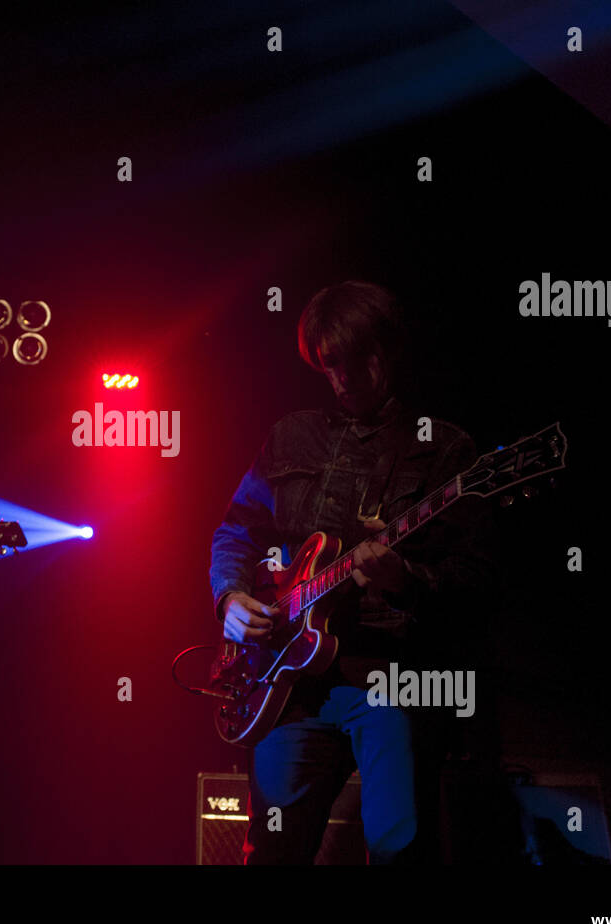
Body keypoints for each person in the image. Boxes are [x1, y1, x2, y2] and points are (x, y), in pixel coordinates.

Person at [210, 281, 501, 864]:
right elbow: (235, 530)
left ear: (388, 351)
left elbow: (478, 580)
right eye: (329, 365)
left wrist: (405, 581)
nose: (343, 378)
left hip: (393, 682)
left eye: (356, 359)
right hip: (289, 686)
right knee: (269, 852)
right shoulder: (293, 434)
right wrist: (231, 598)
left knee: (398, 845)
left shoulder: (445, 449)